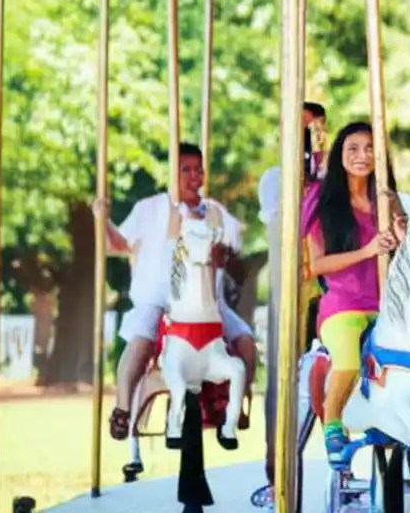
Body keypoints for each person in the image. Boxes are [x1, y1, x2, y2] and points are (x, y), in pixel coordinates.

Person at [95, 143, 258, 441]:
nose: (194, 176)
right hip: (158, 298)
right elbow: (118, 245)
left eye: (198, 169)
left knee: (246, 341)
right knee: (142, 338)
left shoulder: (214, 211)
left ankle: (239, 404)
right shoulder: (150, 208)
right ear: (172, 173)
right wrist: (103, 220)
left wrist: (226, 253)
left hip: (209, 300)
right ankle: (122, 408)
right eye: (186, 169)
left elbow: (234, 248)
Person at [301, 121, 403, 464]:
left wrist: (403, 235)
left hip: (385, 304)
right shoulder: (326, 206)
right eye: (354, 149)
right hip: (343, 305)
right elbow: (317, 265)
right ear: (340, 156)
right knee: (346, 360)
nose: (363, 156)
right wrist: (368, 250)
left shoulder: (387, 202)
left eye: (370, 148)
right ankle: (332, 422)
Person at [254, 101, 327, 501]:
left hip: (331, 286)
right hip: (294, 288)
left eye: (315, 132)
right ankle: (275, 457)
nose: (308, 141)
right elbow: (288, 224)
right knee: (284, 376)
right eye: (301, 132)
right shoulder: (275, 179)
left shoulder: (335, 178)